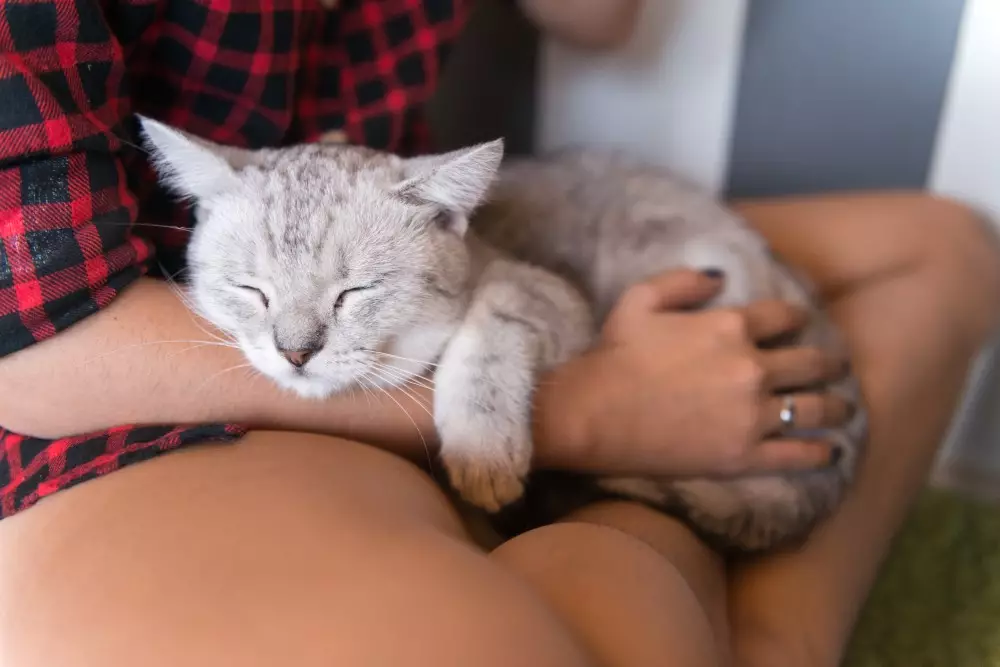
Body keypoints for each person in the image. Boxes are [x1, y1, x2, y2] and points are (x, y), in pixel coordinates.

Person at [0, 1, 997, 665]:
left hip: (419, 257)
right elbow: (39, 352)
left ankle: (772, 627)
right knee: (592, 622)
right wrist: (599, 412)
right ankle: (690, 577)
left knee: (943, 252)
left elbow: (602, 17)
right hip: (156, 376)